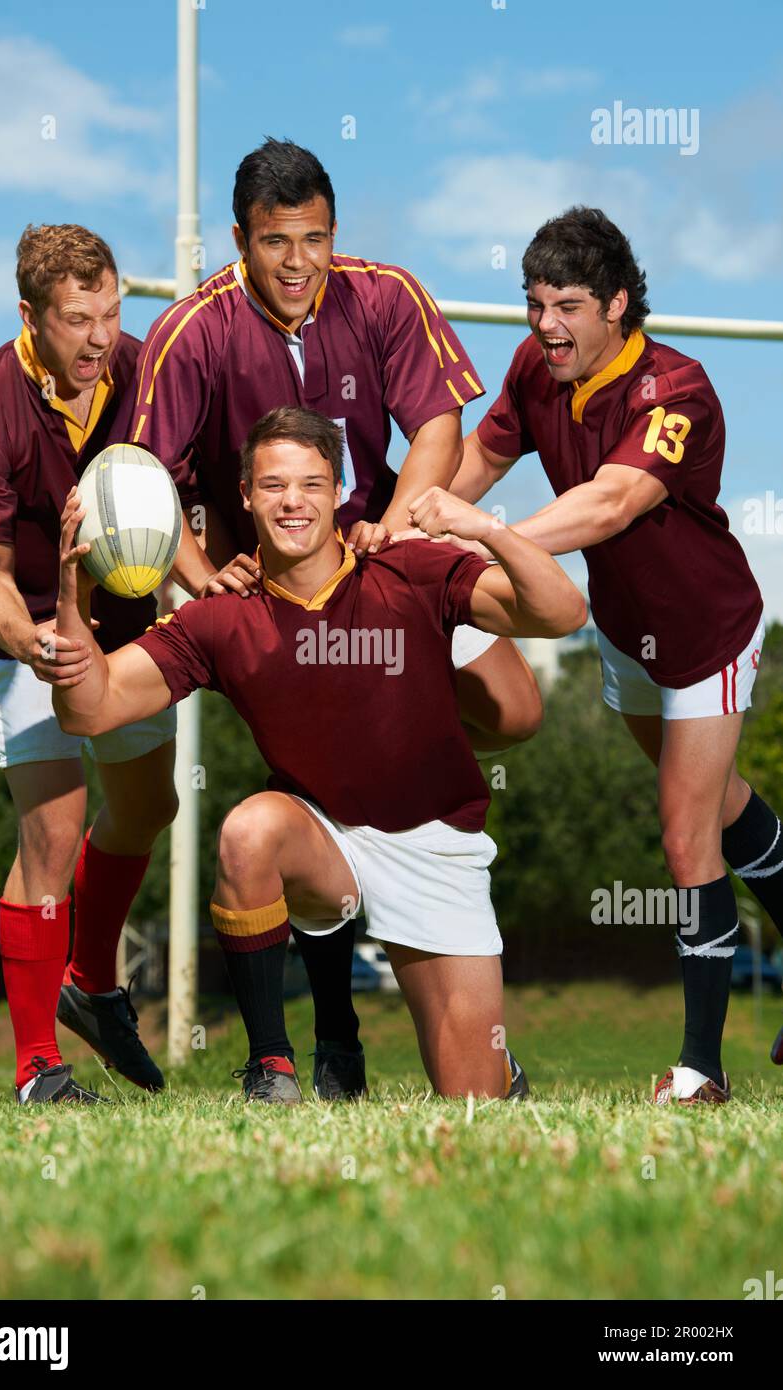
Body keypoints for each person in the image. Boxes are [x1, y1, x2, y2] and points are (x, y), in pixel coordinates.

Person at [110, 137, 543, 1097]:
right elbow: (147, 480)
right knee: (295, 795)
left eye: (313, 239)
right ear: (240, 240)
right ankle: (327, 1031)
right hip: (274, 597)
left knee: (515, 712)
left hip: (381, 570)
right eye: (275, 242)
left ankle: (401, 817)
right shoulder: (195, 329)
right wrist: (194, 579)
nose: (297, 262)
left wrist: (392, 527)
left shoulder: (386, 293)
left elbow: (436, 423)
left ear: (334, 233)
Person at [52, 407, 587, 1101]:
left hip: (433, 841)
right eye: (272, 486)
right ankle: (271, 1068)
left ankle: (498, 1071)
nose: (292, 501)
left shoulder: (406, 568)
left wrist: (484, 529)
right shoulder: (220, 615)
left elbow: (563, 613)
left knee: (473, 1102)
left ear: (339, 492)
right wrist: (74, 590)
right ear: (244, 496)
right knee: (250, 831)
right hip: (323, 839)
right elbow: (89, 709)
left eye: (311, 483)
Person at [450, 205, 780, 1104]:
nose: (544, 325)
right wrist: (410, 525)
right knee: (717, 804)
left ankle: (703, 1072)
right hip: (624, 634)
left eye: (565, 305)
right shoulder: (533, 368)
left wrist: (481, 535)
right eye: (532, 303)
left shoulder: (679, 387)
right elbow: (480, 457)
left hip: (707, 630)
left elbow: (607, 504)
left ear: (617, 306)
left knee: (685, 833)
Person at [0, 224, 176, 1104]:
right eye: (77, 320)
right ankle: (38, 1065)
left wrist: (207, 582)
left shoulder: (149, 373)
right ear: (30, 315)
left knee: (152, 804)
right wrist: (35, 645)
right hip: (25, 629)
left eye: (111, 313)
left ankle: (92, 980)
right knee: (53, 825)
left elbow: (173, 508)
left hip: (125, 625)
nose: (100, 337)